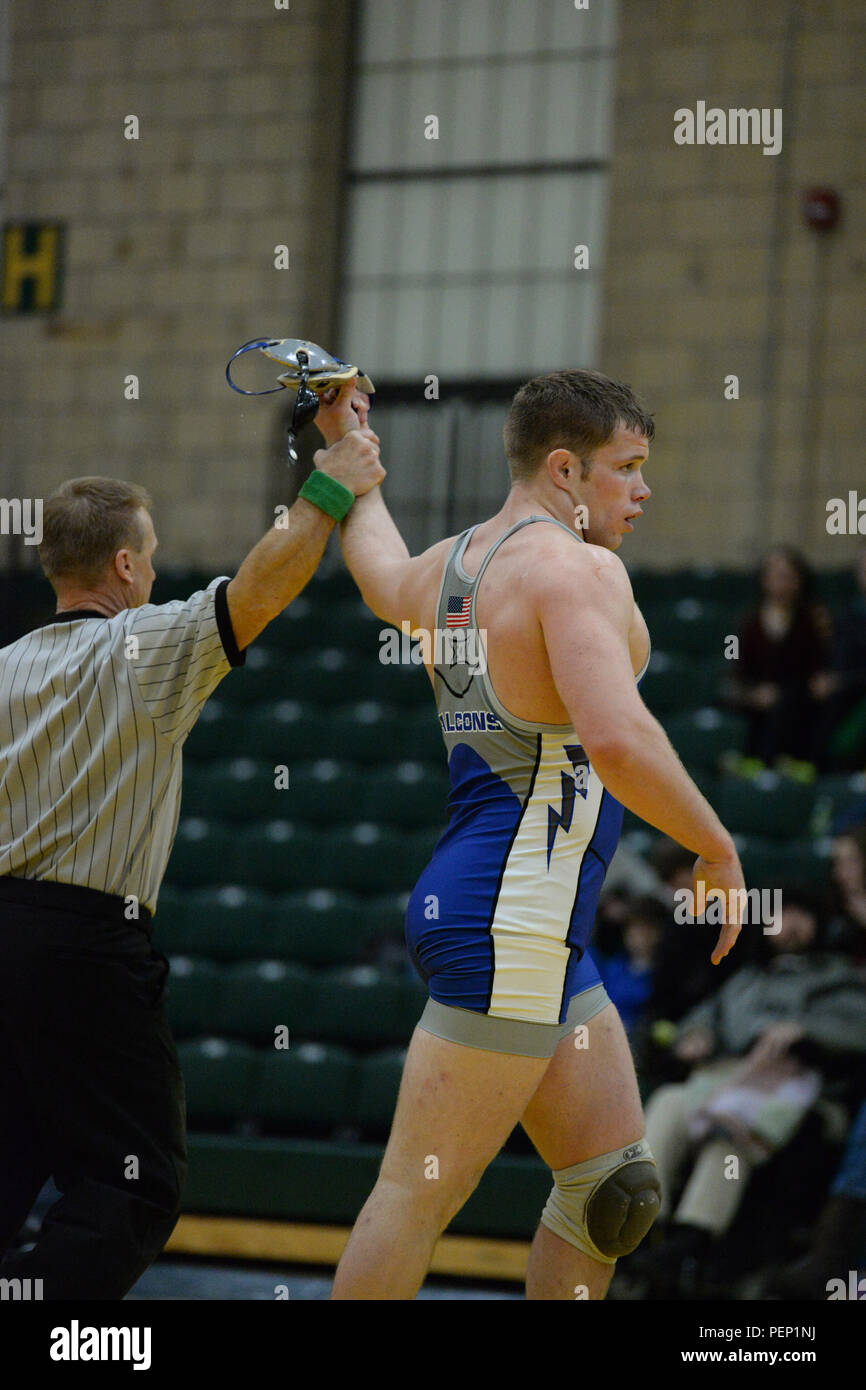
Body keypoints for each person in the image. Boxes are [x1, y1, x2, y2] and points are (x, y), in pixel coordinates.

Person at [321, 367, 746, 1300]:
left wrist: (356, 478)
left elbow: (382, 576)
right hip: (509, 920)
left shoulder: (451, 566)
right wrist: (716, 847)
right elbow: (616, 737)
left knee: (613, 1191)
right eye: (626, 468)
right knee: (415, 1195)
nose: (643, 490)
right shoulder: (575, 566)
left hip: (533, 925)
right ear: (565, 468)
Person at [0, 424, 383, 1298]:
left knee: (9, 1167)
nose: (158, 570)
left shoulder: (1, 669)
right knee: (133, 1186)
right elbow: (263, 584)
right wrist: (330, 482)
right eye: (155, 555)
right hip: (86, 947)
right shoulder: (142, 649)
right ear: (127, 568)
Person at [635, 893, 866, 1297]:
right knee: (670, 1101)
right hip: (725, 1078)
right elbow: (704, 1017)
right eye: (781, 915)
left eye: (801, 914)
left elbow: (857, 1028)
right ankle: (643, 1223)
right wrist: (696, 1035)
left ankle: (692, 1238)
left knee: (728, 1135)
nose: (791, 924)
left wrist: (805, 1029)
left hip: (794, 1086)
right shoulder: (747, 976)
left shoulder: (837, 976)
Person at [727, 546, 832, 771]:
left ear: (799, 581)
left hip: (797, 699)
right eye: (774, 575)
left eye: (787, 577)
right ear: (763, 580)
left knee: (789, 703)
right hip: (754, 699)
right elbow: (733, 666)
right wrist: (753, 694)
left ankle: (793, 764)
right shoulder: (742, 623)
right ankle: (753, 763)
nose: (780, 583)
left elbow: (820, 667)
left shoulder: (813, 620)